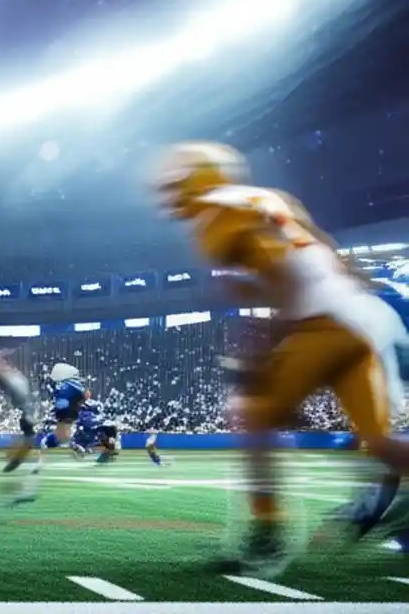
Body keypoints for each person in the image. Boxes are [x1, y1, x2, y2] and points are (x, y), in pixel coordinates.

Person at [152, 141, 409, 577]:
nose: (170, 198)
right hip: (362, 318)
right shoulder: (271, 198)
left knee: (251, 414)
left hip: (323, 323)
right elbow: (324, 251)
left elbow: (273, 267)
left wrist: (264, 346)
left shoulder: (215, 218)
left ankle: (268, 533)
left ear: (195, 180)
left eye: (174, 186)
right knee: (381, 444)